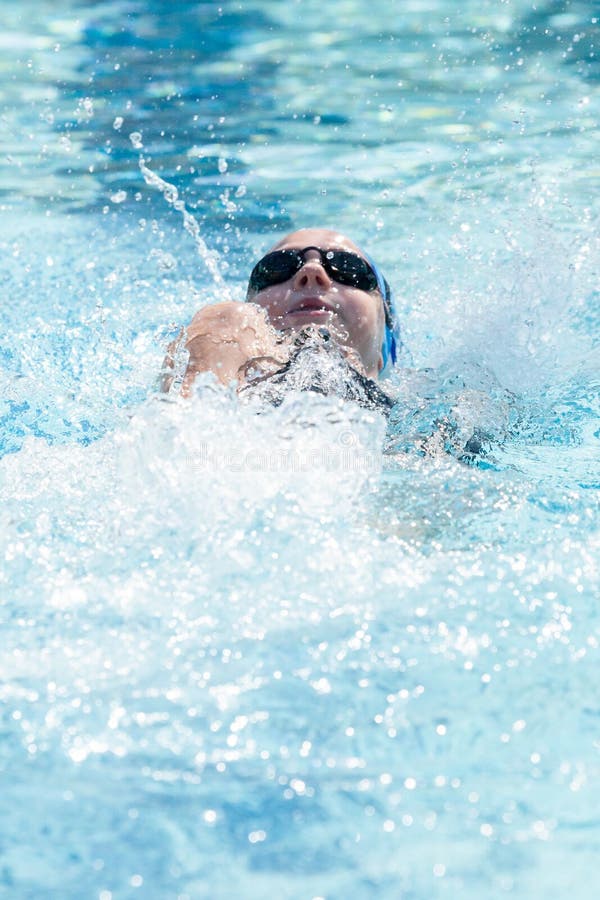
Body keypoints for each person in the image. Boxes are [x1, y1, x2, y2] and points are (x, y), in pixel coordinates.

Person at [161, 227, 400, 410]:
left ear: (383, 349)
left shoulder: (422, 412)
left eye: (349, 268)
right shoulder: (227, 325)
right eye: (278, 267)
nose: (312, 272)